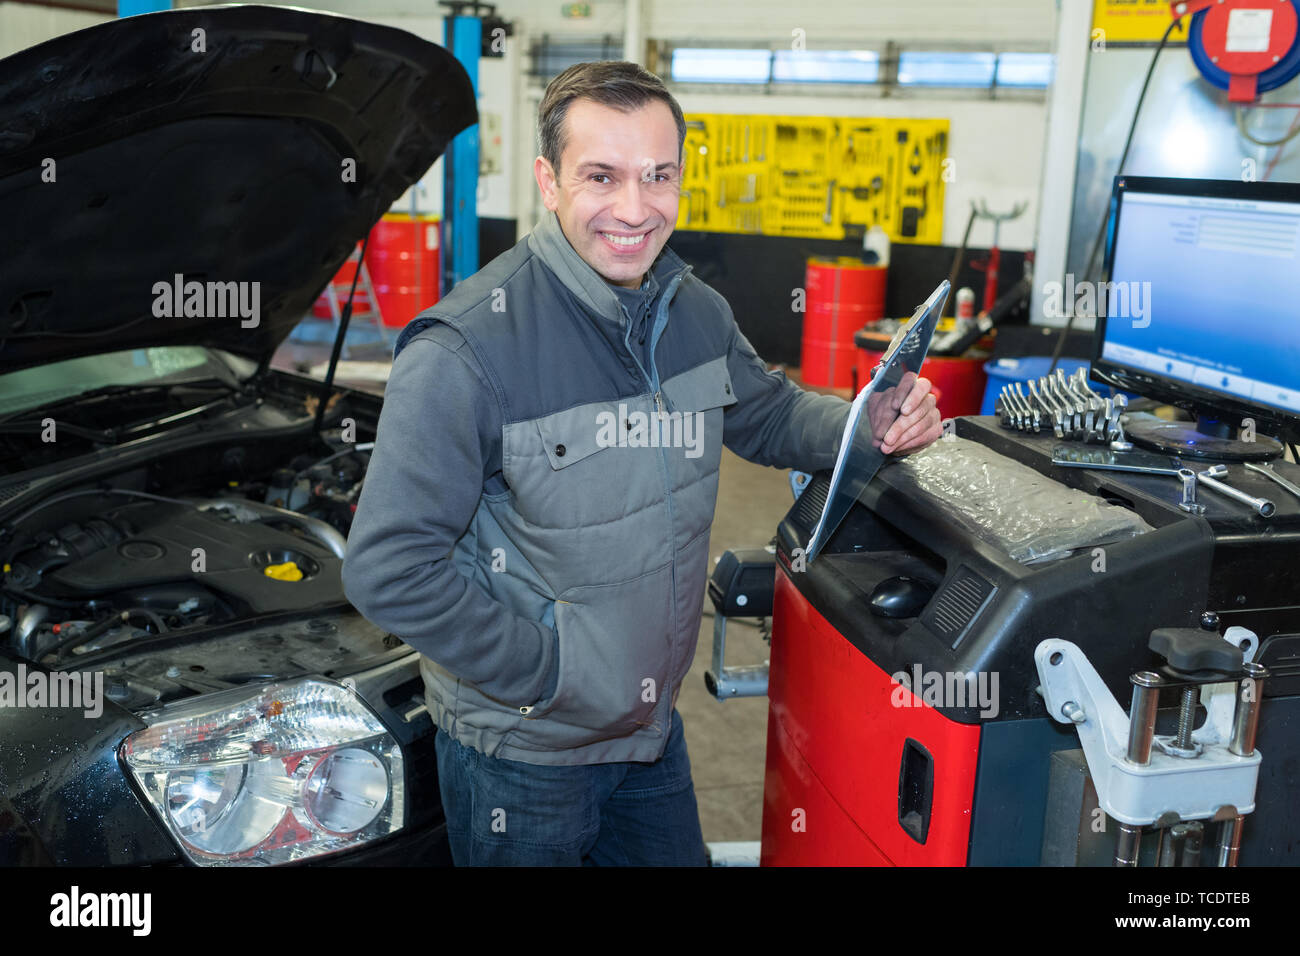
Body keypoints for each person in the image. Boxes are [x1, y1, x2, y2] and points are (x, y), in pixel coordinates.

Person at [341, 60, 941, 866]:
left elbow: (768, 414)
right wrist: (551, 672)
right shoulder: (467, 350)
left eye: (658, 175)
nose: (634, 208)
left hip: (648, 730)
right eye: (602, 176)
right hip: (525, 755)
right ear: (548, 182)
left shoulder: (693, 311)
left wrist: (870, 422)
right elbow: (389, 569)